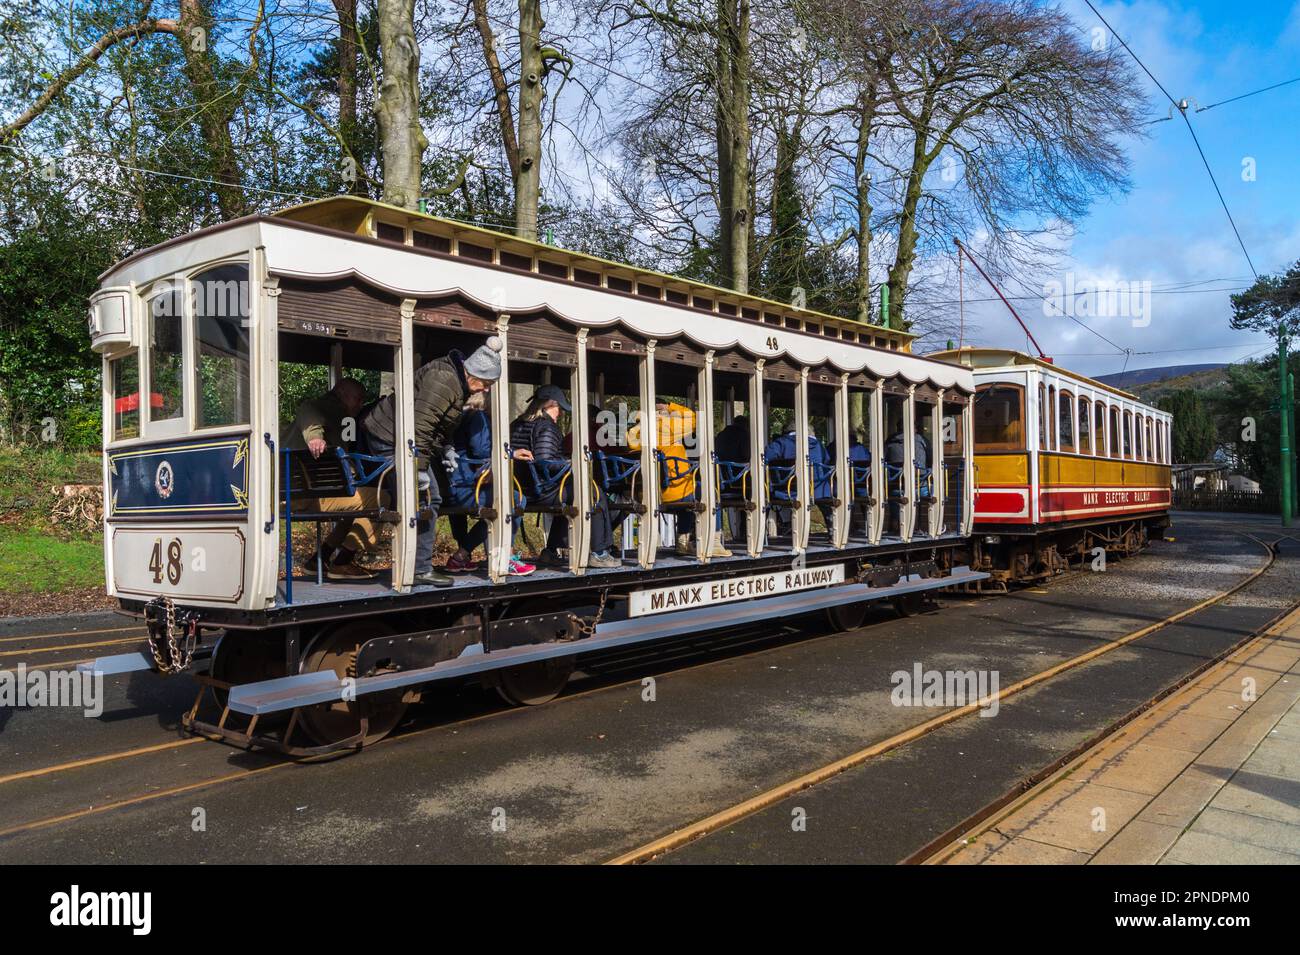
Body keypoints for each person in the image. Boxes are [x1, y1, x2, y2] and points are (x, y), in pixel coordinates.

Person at [360, 336, 504, 587]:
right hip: (389, 436)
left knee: (429, 497)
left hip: (402, 438)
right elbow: (421, 427)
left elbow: (441, 421)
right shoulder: (445, 379)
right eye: (487, 382)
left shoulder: (456, 382)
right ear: (474, 374)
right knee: (425, 497)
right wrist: (419, 467)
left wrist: (447, 448)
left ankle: (419, 566)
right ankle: (419, 568)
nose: (487, 389)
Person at [510, 385, 620, 569]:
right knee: (593, 493)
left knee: (571, 495)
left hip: (519, 488)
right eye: (558, 408)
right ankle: (599, 553)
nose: (559, 413)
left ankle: (551, 551)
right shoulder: (546, 427)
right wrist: (571, 463)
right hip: (540, 490)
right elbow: (544, 461)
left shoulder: (516, 423)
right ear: (548, 405)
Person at [281, 377, 378, 581]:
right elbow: (308, 413)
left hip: (294, 495)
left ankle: (319, 559)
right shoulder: (322, 407)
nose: (360, 404)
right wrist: (314, 437)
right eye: (358, 399)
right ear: (341, 393)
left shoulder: (346, 420)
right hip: (310, 498)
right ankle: (342, 562)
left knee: (355, 505)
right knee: (383, 499)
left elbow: (348, 450)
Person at [443, 393, 536, 576]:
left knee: (500, 504)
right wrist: (510, 454)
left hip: (452, 484)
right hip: (467, 487)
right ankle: (503, 558)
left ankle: (461, 557)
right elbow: (482, 451)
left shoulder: (459, 416)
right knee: (515, 500)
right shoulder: (478, 417)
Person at [629, 397, 730, 558]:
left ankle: (683, 544)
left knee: (690, 497)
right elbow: (693, 418)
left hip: (649, 494)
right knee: (711, 492)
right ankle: (714, 542)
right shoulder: (666, 427)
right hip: (674, 491)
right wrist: (669, 407)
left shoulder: (636, 433)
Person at [764, 425, 833, 534]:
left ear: (787, 431)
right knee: (825, 503)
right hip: (817, 490)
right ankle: (832, 530)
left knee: (764, 496)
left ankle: (764, 532)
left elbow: (765, 456)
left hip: (790, 490)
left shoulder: (782, 443)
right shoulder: (819, 445)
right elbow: (827, 460)